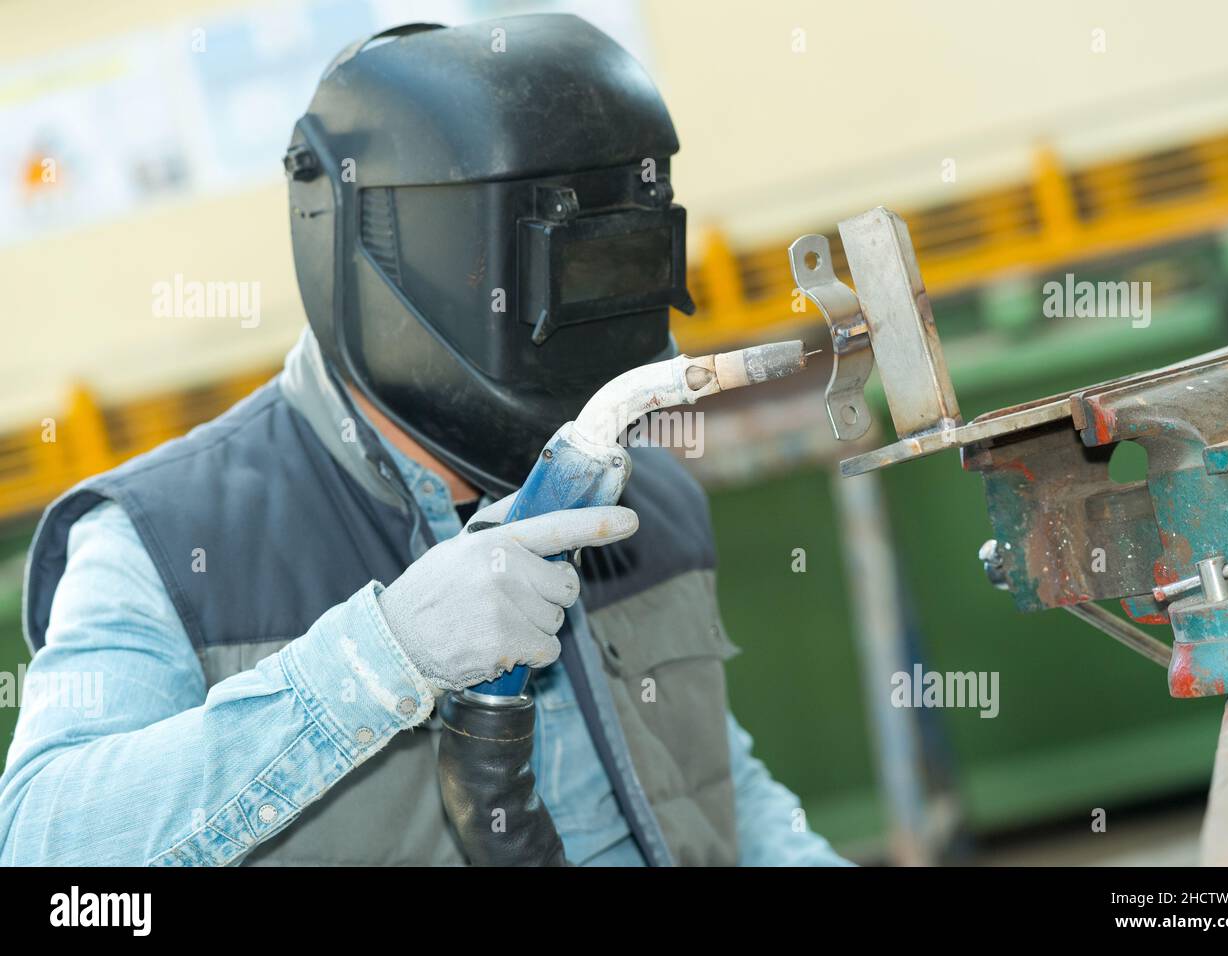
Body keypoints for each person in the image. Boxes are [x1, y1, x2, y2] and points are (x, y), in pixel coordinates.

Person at [0, 14, 848, 866]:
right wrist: (384, 656)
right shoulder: (169, 537)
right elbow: (45, 848)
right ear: (370, 236)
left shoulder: (637, 491)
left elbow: (708, 783)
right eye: (565, 268)